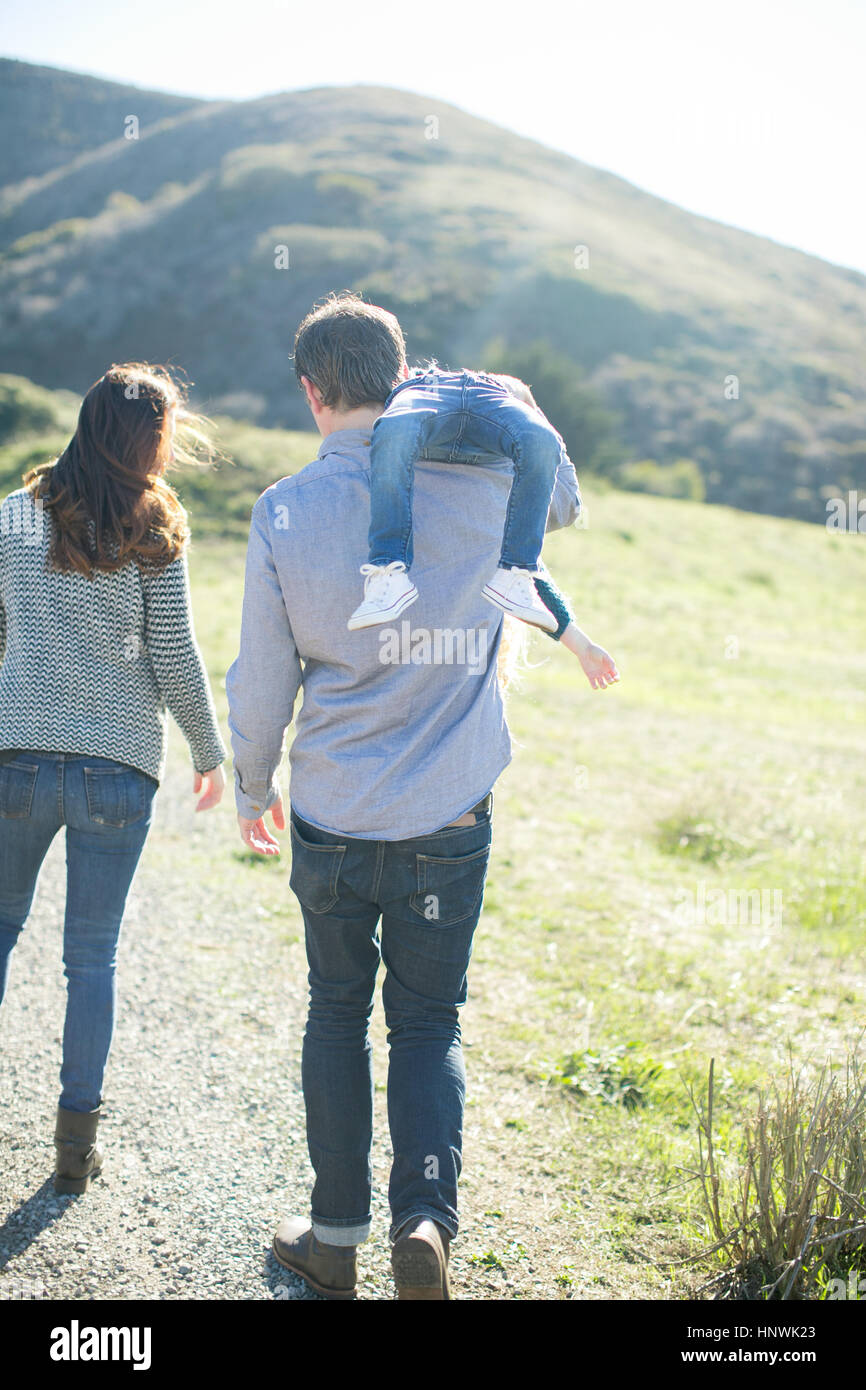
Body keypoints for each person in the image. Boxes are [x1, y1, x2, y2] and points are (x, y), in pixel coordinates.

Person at [226, 292, 617, 1301]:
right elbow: (563, 499)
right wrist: (514, 407)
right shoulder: (486, 488)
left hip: (332, 815)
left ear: (311, 392)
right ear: (405, 383)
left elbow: (261, 683)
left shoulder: (283, 511)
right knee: (429, 1023)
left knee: (334, 1013)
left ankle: (334, 1235)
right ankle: (424, 1222)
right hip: (449, 818)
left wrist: (252, 785)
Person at [0, 363, 227, 1193]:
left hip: (14, 762)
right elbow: (174, 656)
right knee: (90, 959)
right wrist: (209, 752)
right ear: (150, 439)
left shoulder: (13, 519)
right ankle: (73, 1151)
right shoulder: (154, 522)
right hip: (117, 772)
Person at [349, 364, 620, 690]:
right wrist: (541, 423)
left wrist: (581, 644)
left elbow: (533, 579)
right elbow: (568, 505)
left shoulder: (421, 477)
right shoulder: (494, 499)